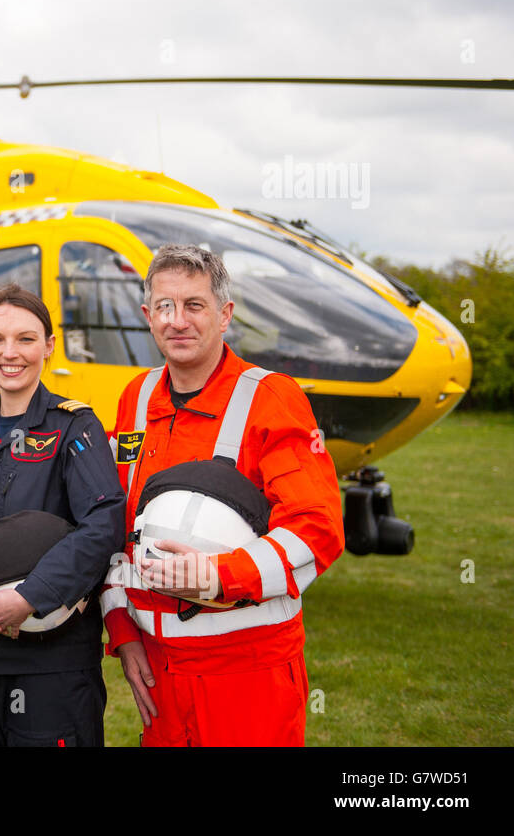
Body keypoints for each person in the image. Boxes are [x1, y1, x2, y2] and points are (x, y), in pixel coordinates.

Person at [103, 243, 344, 746]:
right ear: (148, 316)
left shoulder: (271, 398)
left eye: (194, 305)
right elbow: (114, 525)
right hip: (160, 674)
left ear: (224, 314)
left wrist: (217, 575)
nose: (178, 321)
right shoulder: (136, 397)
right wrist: (123, 633)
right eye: (164, 307)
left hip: (247, 674)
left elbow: (315, 531)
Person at [0, 284, 125, 747]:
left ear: (49, 346)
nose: (8, 353)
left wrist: (31, 596)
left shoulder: (75, 427)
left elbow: (103, 522)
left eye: (25, 339)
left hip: (49, 662)